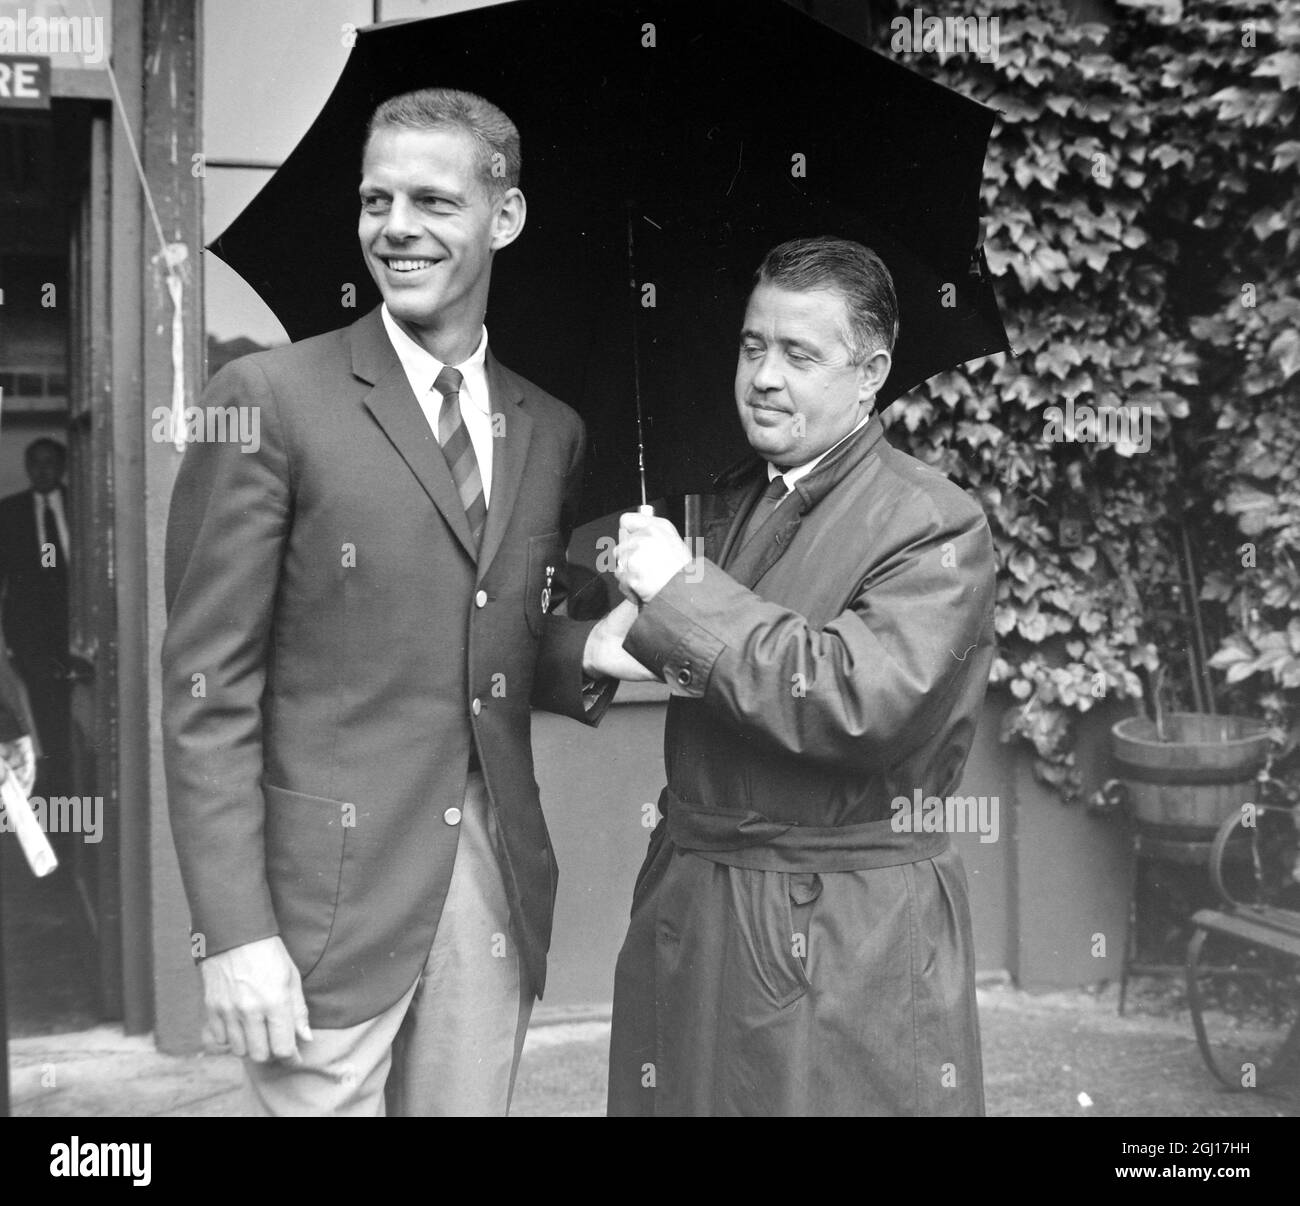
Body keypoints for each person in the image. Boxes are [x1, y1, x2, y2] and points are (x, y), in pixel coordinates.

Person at [162, 87, 646, 1117]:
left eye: (433, 201)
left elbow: (480, 632)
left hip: (490, 886)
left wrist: (585, 652)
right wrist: (234, 933)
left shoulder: (549, 429)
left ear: (504, 217)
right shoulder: (267, 401)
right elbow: (206, 690)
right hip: (322, 906)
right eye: (376, 200)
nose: (395, 227)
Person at [607, 236, 996, 1116]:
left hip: (838, 929)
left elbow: (856, 702)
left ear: (870, 375)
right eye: (753, 346)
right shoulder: (729, 499)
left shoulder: (933, 523)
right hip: (698, 900)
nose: (764, 377)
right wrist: (612, 640)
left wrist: (681, 592)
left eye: (799, 354)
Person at [0, 438, 71, 800]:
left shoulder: (83, 504)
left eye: (50, 462)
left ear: (63, 467)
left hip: (76, 626)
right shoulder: (8, 512)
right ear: (28, 468)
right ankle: (54, 784)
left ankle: (79, 780)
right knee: (43, 707)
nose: (43, 470)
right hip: (30, 631)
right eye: (36, 463)